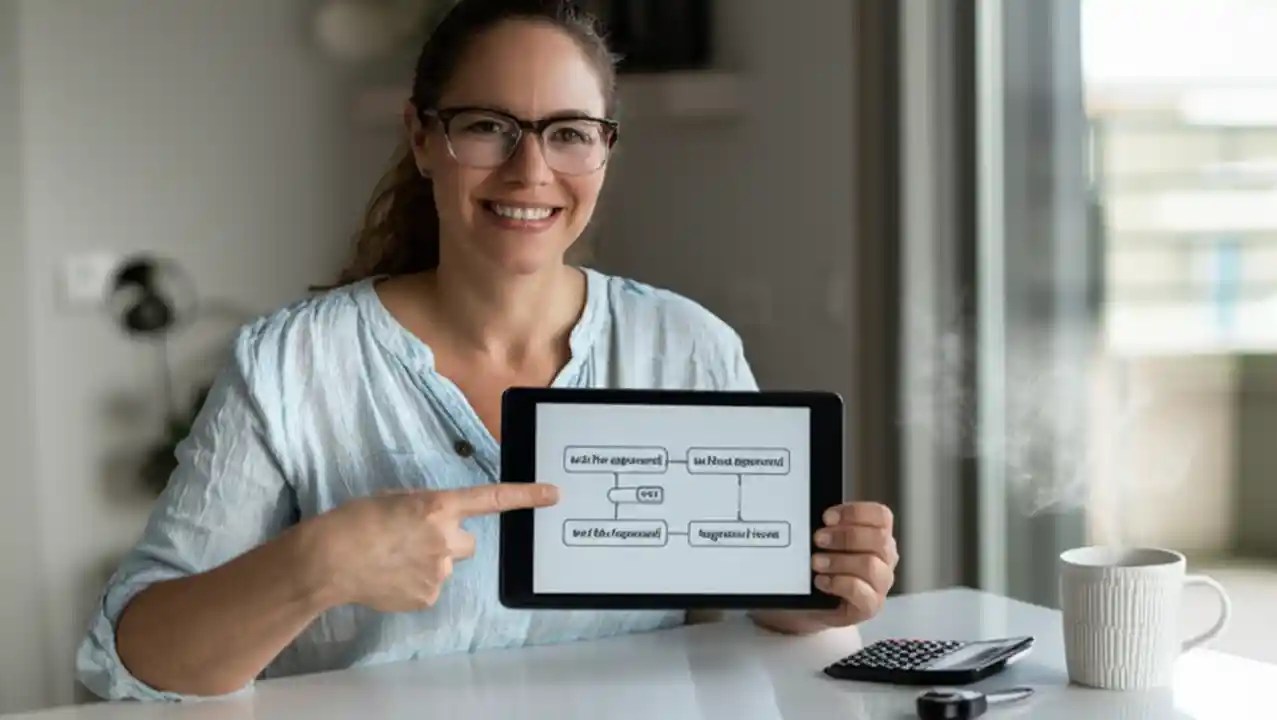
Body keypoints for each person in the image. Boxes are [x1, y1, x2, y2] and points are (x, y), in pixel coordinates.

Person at [76, 0, 899, 702]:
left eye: (570, 132)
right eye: (488, 127)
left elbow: (748, 599)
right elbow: (128, 661)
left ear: (606, 150)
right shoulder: (289, 365)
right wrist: (312, 568)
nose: (530, 169)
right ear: (424, 138)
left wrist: (815, 592)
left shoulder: (688, 347)